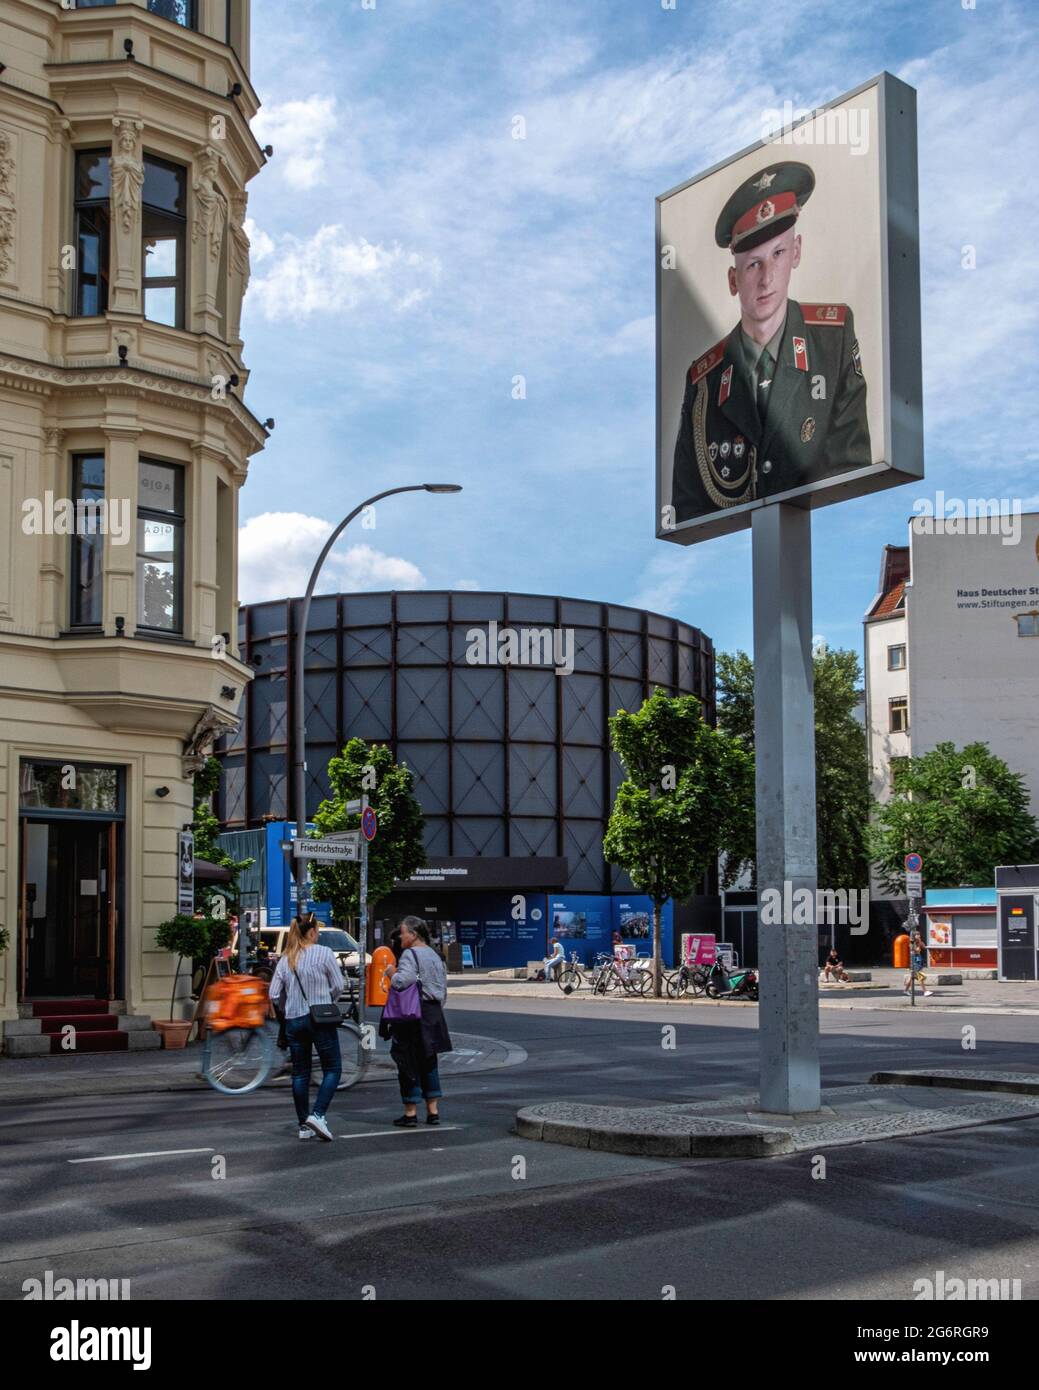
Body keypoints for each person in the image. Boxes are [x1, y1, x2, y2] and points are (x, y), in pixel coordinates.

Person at [671, 159, 871, 522]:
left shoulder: (833, 339)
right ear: (733, 280)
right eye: (753, 264)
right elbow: (689, 511)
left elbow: (853, 475)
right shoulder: (703, 382)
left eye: (777, 255)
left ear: (796, 253)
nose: (766, 279)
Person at [267, 912, 345, 1140]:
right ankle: (318, 1115)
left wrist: (288, 1006)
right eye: (317, 931)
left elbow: (273, 994)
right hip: (319, 1019)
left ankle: (303, 1126)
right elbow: (339, 986)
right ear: (311, 932)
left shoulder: (286, 958)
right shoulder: (324, 953)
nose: (318, 934)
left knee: (300, 1073)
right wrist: (326, 1001)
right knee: (333, 1068)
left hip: (293, 1021)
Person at [379, 916, 452, 1127]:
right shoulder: (435, 954)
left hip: (412, 1016)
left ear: (413, 934)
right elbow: (443, 989)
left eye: (403, 932)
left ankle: (410, 1112)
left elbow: (403, 982)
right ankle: (433, 1111)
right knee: (429, 1061)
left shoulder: (410, 954)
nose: (401, 936)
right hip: (433, 1012)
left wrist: (391, 972)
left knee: (407, 1060)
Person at [904, 928, 933, 997]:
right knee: (920, 976)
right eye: (917, 935)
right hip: (915, 960)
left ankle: (906, 990)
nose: (919, 936)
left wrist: (920, 941)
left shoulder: (919, 942)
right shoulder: (912, 943)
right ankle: (925, 991)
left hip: (918, 959)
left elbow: (923, 946)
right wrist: (917, 944)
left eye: (919, 934)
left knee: (913, 977)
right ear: (914, 936)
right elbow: (916, 950)